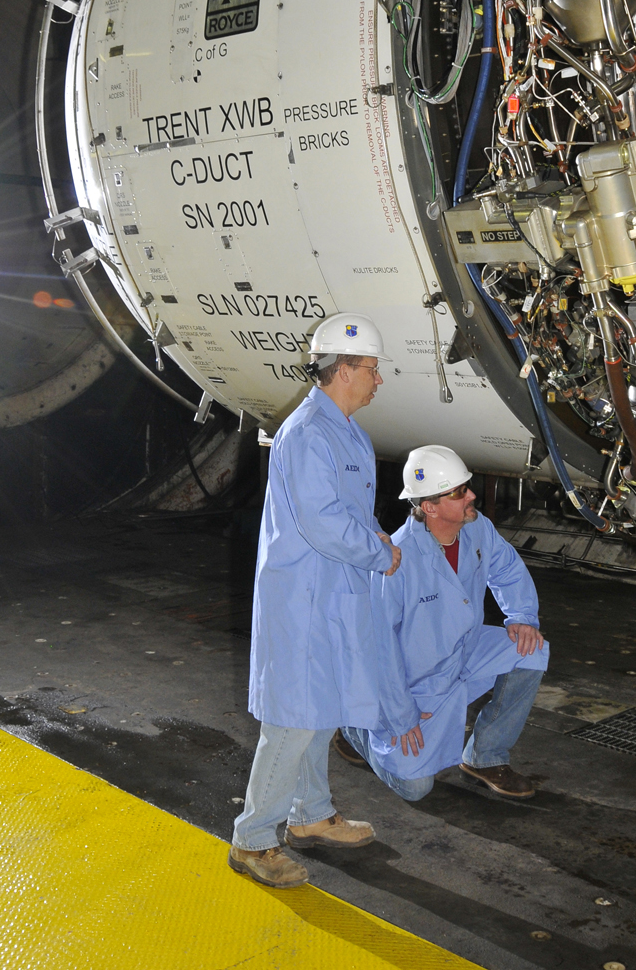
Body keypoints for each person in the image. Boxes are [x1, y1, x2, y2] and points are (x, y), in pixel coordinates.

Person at [228, 312, 401, 889]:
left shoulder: (345, 430)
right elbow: (324, 523)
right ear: (345, 369)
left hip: (332, 592)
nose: (379, 380)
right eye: (373, 370)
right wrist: (381, 554)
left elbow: (345, 511)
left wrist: (375, 536)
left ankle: (310, 815)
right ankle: (253, 840)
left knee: (319, 708)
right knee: (293, 722)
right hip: (304, 598)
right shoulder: (307, 433)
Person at [336, 444, 548, 801]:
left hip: (464, 651)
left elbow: (506, 567)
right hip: (415, 680)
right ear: (429, 507)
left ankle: (486, 756)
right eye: (460, 492)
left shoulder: (478, 527)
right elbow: (380, 648)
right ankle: (355, 725)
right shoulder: (396, 561)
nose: (472, 495)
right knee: (417, 788)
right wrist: (401, 716)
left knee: (532, 650)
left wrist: (522, 615)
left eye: (467, 486)